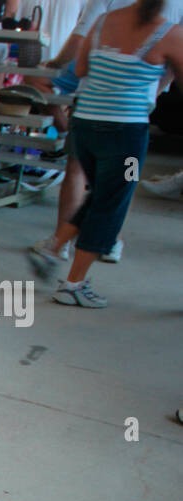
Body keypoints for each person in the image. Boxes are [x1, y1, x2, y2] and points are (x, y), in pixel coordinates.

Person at [27, 0, 183, 305]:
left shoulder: (104, 21)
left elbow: (82, 68)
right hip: (126, 134)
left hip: (86, 125)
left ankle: (54, 248)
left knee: (100, 194)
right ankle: (74, 284)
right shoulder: (169, 33)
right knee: (115, 200)